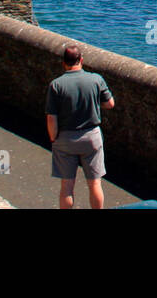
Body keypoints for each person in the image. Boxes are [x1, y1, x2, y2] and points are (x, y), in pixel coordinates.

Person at [46, 44, 115, 209]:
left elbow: (51, 118)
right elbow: (110, 104)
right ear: (81, 60)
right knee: (95, 184)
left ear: (64, 62)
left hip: (65, 138)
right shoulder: (96, 79)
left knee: (67, 186)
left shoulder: (56, 85)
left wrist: (53, 138)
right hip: (91, 137)